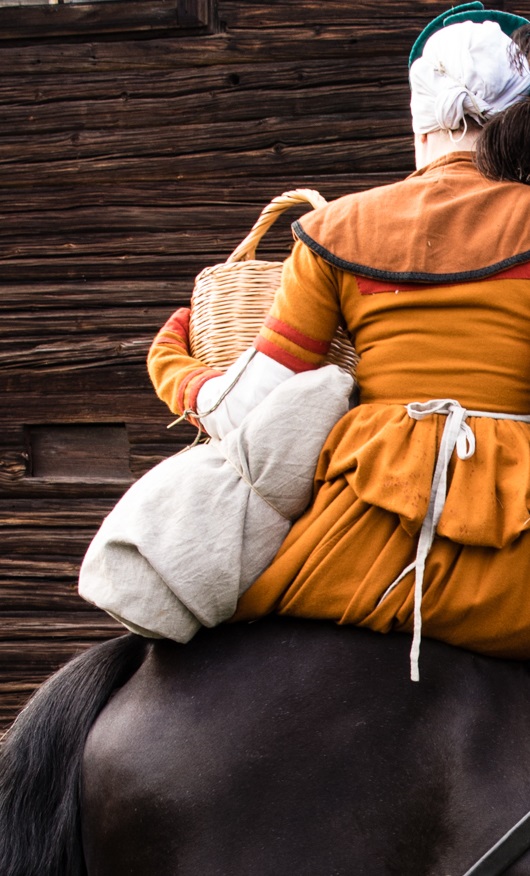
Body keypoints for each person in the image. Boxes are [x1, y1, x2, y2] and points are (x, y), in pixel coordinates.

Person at [148, 3, 530, 680]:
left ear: (417, 121)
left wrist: (174, 367)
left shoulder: (335, 231)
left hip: (362, 533)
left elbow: (248, 411)